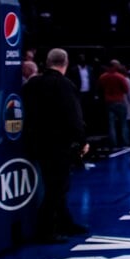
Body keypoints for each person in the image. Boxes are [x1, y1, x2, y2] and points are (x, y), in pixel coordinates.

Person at [22, 48, 90, 243]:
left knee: (55, 184)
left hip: (36, 142)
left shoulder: (32, 84)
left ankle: (65, 222)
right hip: (59, 144)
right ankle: (45, 230)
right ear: (65, 63)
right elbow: (74, 116)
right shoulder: (65, 85)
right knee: (57, 187)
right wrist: (82, 141)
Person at [97, 59, 130, 150]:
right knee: (123, 123)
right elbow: (126, 90)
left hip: (108, 102)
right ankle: (125, 142)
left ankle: (114, 143)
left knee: (111, 124)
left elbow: (100, 88)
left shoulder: (102, 77)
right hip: (119, 101)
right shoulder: (120, 77)